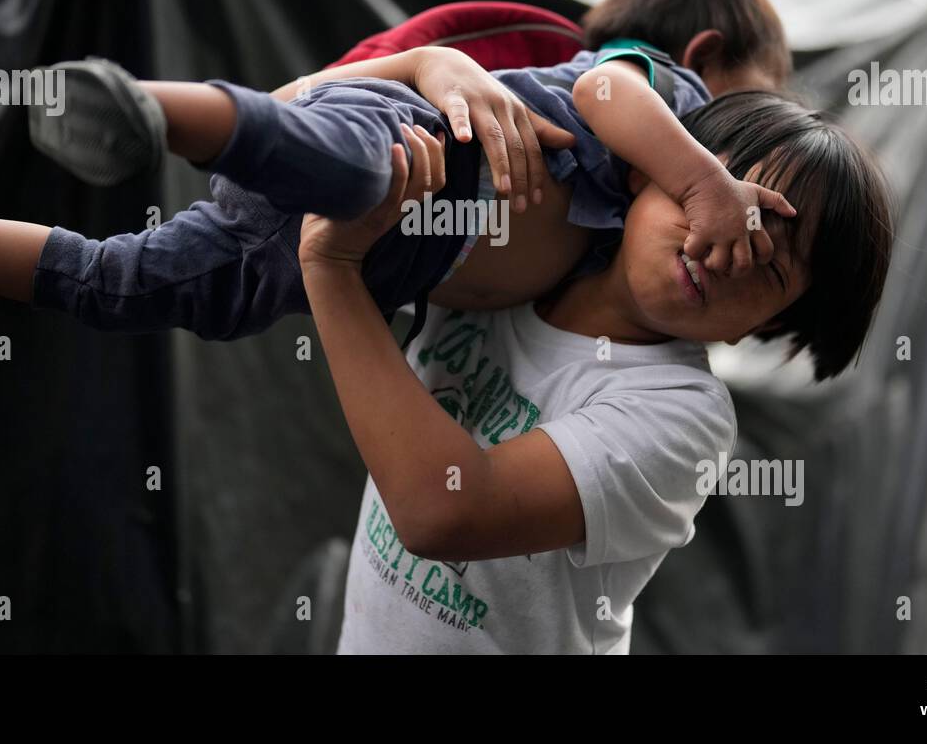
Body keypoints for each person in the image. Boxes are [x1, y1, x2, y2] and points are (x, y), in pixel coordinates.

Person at [0, 0, 793, 371]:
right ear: (702, 61)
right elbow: (604, 95)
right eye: (760, 102)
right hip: (392, 148)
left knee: (135, 285)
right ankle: (135, 103)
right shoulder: (663, 100)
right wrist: (709, 177)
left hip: (334, 247)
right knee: (355, 169)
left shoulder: (626, 239)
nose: (751, 141)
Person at [298, 91, 895, 653]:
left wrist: (330, 268)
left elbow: (444, 512)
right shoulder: (509, 256)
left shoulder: (684, 418)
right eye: (716, 202)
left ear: (763, 327)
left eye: (764, 264)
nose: (721, 251)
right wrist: (432, 65)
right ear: (648, 171)